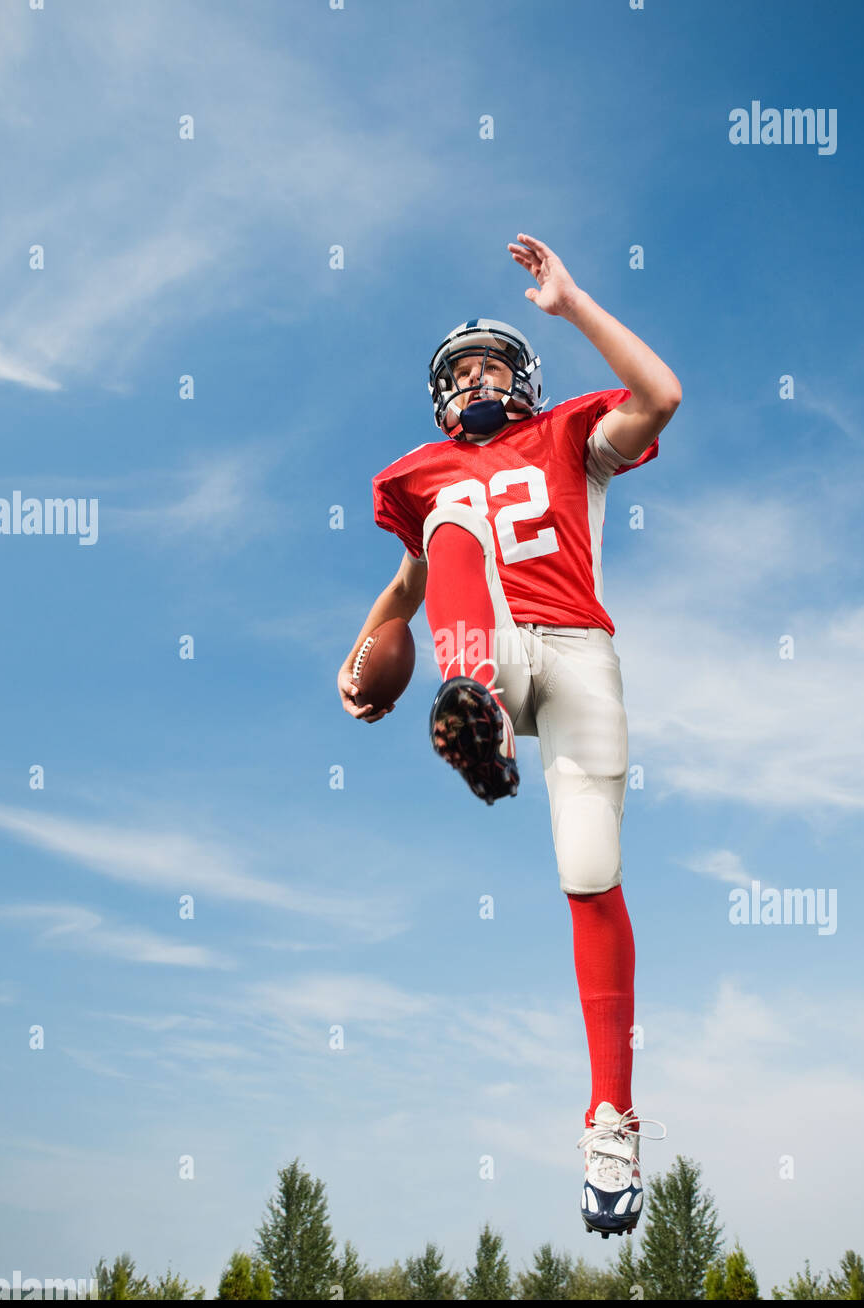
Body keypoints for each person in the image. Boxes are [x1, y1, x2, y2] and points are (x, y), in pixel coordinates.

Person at [337, 233, 681, 1237]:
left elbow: (658, 394)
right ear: (438, 391)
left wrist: (570, 302)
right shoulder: (428, 476)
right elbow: (408, 587)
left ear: (523, 377)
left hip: (575, 658)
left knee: (587, 873)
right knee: (450, 525)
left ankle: (607, 1118)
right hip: (481, 651)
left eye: (490, 361)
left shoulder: (570, 434)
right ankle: (472, 704)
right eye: (458, 368)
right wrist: (360, 663)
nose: (474, 376)